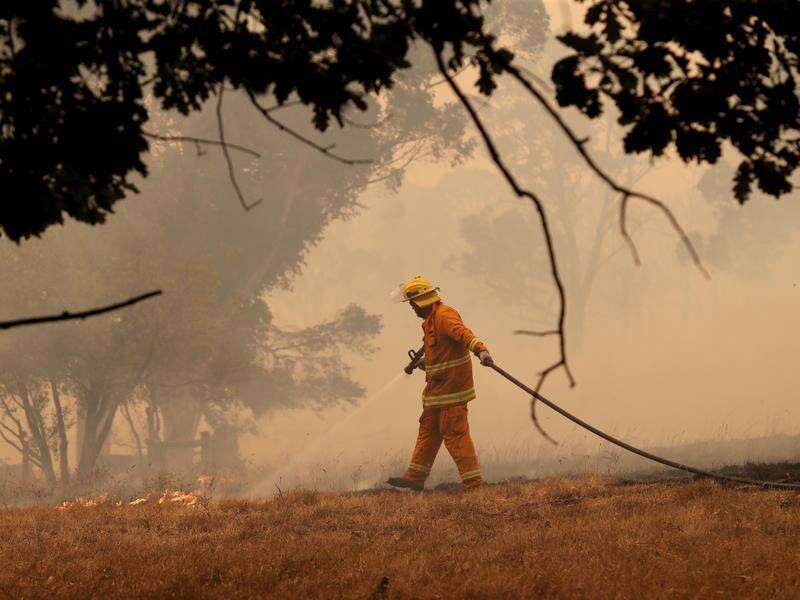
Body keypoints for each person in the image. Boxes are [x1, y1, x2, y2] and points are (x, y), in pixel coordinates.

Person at [387, 276, 493, 491]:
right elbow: (442, 351)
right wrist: (428, 362)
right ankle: (414, 479)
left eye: (412, 304)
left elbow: (464, 335)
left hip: (452, 391)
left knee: (455, 434)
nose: (412, 309)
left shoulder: (445, 316)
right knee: (428, 431)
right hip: (437, 391)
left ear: (422, 301)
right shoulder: (431, 321)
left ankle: (474, 485)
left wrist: (481, 351)